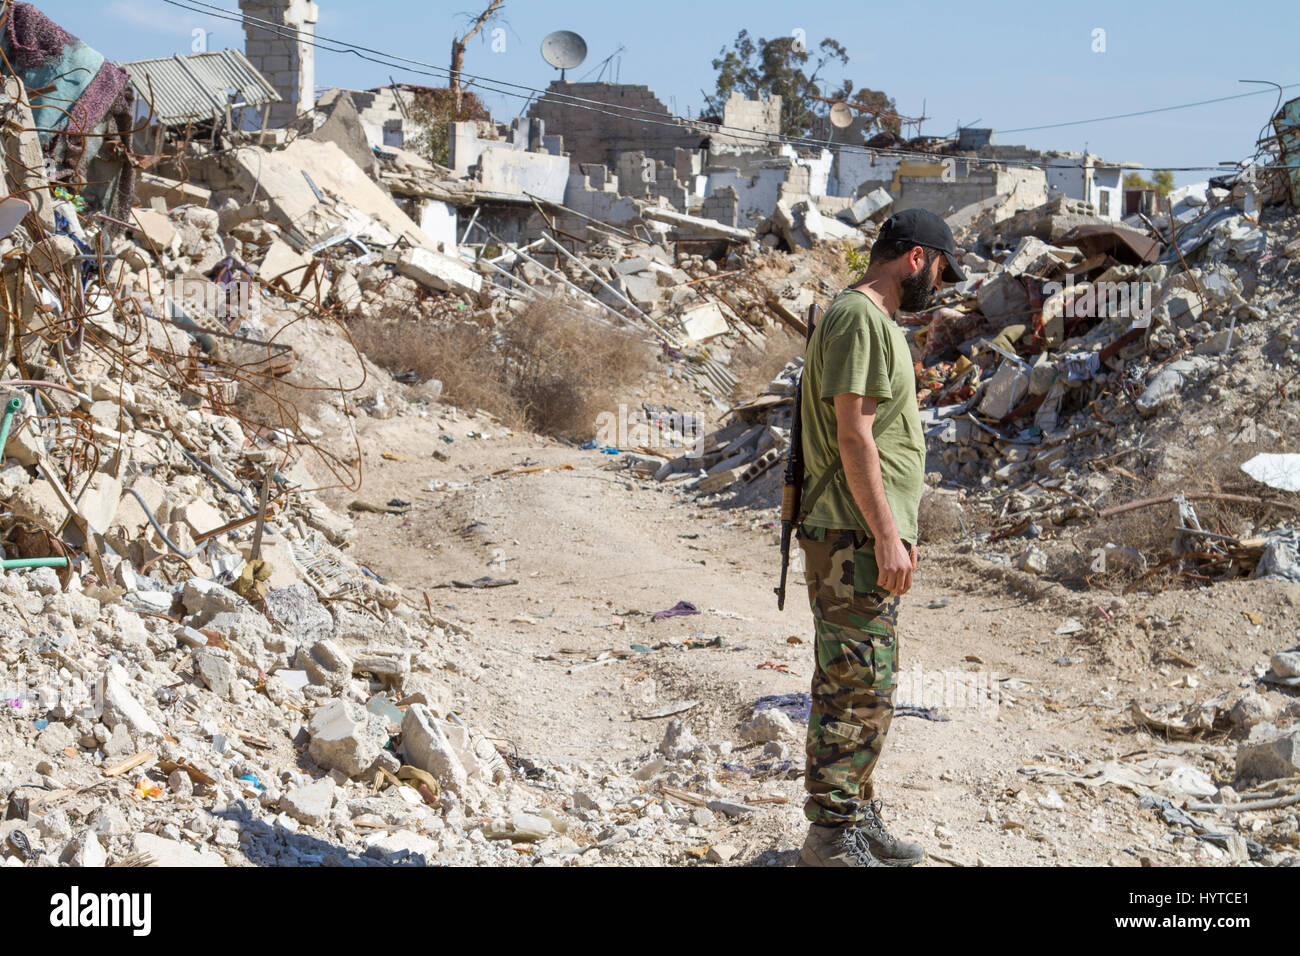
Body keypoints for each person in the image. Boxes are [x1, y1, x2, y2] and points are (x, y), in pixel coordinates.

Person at [795, 209, 964, 867]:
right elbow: (854, 435)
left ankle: (858, 817)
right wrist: (888, 537)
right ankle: (830, 838)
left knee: (869, 681)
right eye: (942, 271)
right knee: (852, 683)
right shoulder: (862, 319)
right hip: (850, 539)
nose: (941, 287)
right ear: (917, 258)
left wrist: (900, 533)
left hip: (860, 536)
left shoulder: (875, 322)